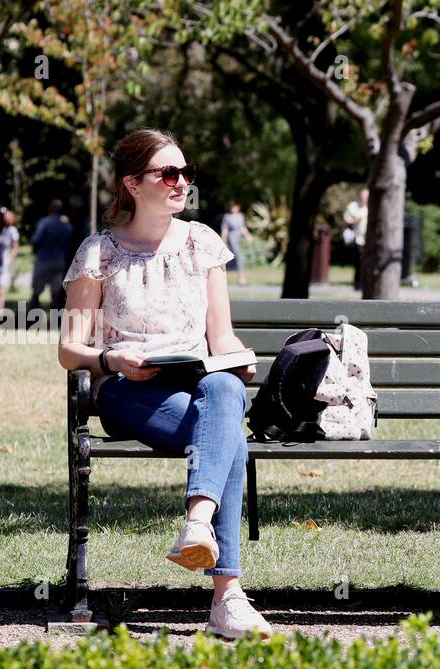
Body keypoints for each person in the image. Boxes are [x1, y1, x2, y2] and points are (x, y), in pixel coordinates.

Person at [59, 128, 271, 640]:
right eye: (168, 173)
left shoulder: (202, 244)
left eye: (186, 173)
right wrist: (112, 358)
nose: (181, 183)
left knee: (225, 392)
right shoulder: (99, 251)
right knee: (230, 443)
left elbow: (220, 337)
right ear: (133, 184)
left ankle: (198, 524)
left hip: (197, 384)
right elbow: (70, 351)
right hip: (128, 391)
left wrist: (238, 360)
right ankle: (228, 599)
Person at [30, 199, 74, 309]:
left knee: (36, 290)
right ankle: (54, 318)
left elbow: (36, 240)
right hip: (59, 261)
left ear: (50, 209)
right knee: (55, 291)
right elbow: (70, 241)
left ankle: (32, 317)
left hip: (43, 259)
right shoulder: (65, 225)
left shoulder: (45, 222)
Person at [0, 207, 20, 316]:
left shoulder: (11, 231)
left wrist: (9, 259)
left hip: (3, 264)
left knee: (0, 290)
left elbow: (15, 247)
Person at [220, 202, 253, 285]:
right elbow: (225, 230)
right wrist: (223, 241)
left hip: (239, 240)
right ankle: (241, 279)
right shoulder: (227, 217)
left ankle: (222, 279)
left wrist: (248, 236)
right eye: (232, 207)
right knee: (239, 258)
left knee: (231, 261)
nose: (233, 209)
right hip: (232, 240)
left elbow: (242, 227)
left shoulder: (240, 216)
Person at [343, 189, 369, 290]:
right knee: (359, 262)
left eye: (366, 198)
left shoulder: (371, 207)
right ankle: (358, 284)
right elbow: (347, 220)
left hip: (369, 241)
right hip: (359, 239)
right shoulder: (354, 207)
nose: (364, 200)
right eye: (363, 198)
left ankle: (366, 283)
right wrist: (357, 219)